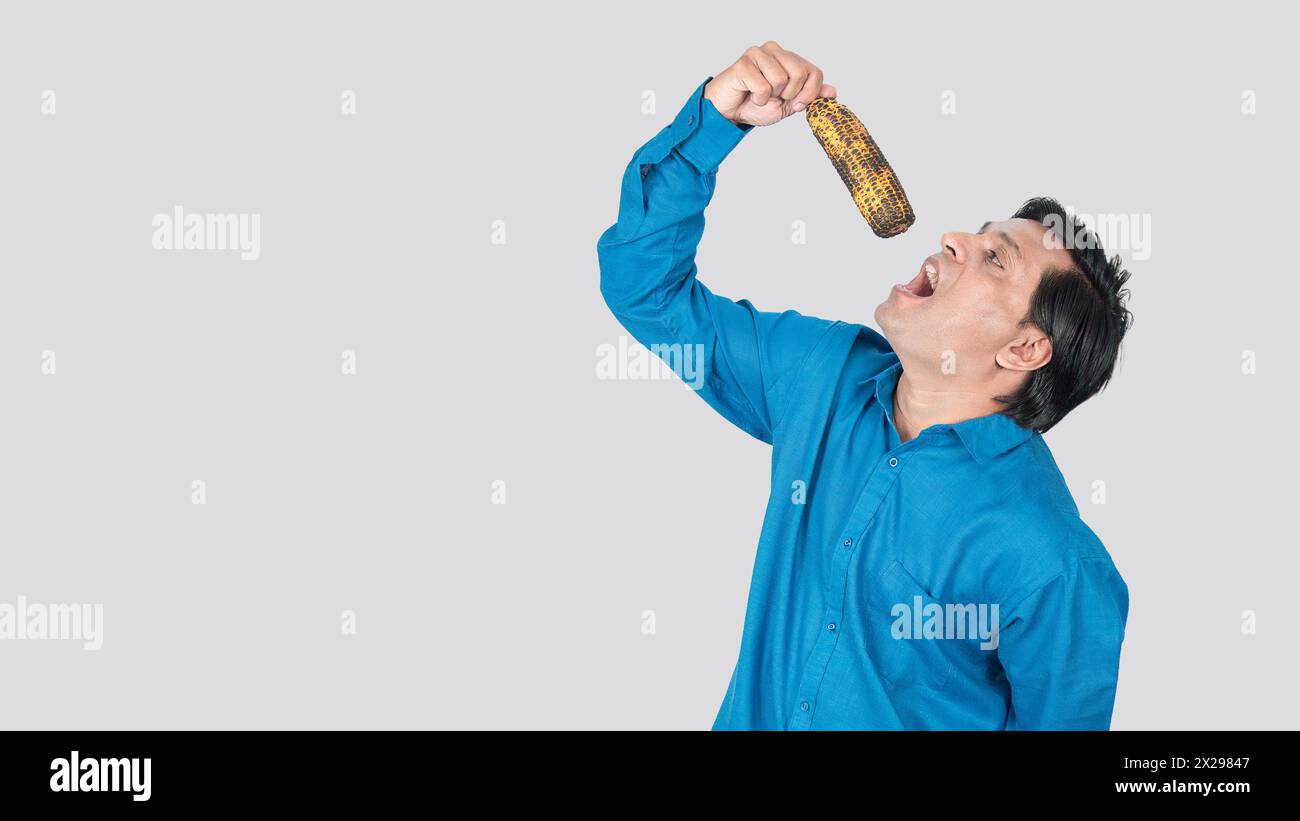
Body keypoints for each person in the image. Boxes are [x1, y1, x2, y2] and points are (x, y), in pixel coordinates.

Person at [596, 41, 1133, 730]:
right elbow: (644, 288)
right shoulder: (821, 374)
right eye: (976, 233)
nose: (952, 240)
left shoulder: (1049, 555)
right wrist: (714, 122)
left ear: (1026, 347)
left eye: (994, 258)